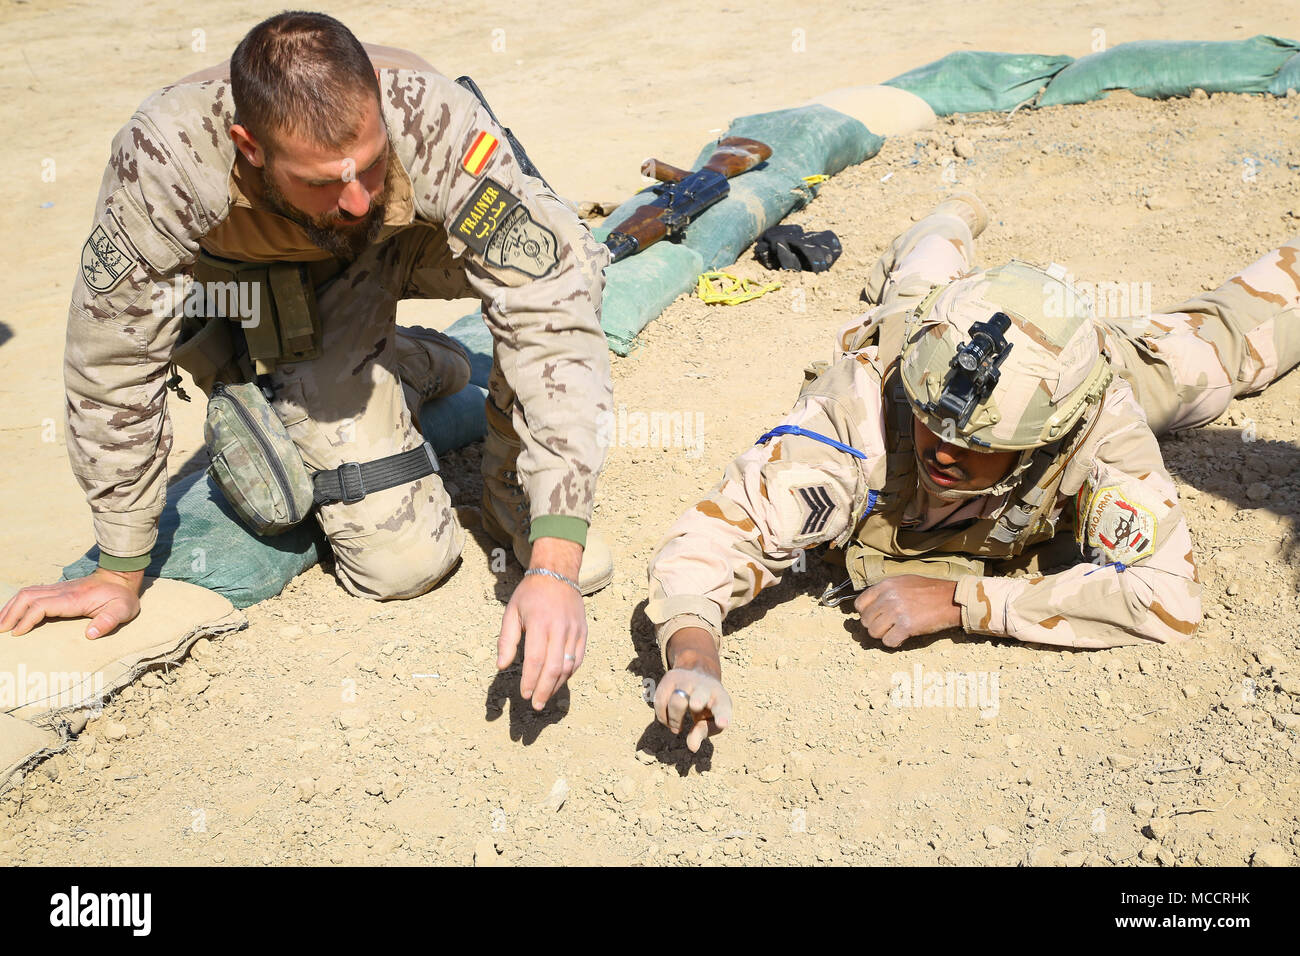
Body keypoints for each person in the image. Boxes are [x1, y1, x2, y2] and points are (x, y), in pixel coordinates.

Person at [0, 12, 615, 711]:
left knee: (569, 259)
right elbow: (111, 361)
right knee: (403, 564)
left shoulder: (430, 116)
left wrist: (555, 559)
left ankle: (508, 491)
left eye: (372, 165)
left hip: (403, 247)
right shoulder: (166, 159)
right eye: (323, 182)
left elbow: (546, 307)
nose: (357, 197)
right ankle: (367, 366)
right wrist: (119, 566)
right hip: (290, 290)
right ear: (249, 147)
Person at [645, 191, 1300, 750]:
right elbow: (717, 538)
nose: (942, 451)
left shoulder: (1099, 422)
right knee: (921, 277)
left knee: (1221, 356)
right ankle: (951, 217)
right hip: (927, 323)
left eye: (977, 443)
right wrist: (695, 656)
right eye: (931, 424)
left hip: (1067, 362)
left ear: (1050, 437)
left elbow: (1167, 598)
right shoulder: (864, 407)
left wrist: (965, 602)